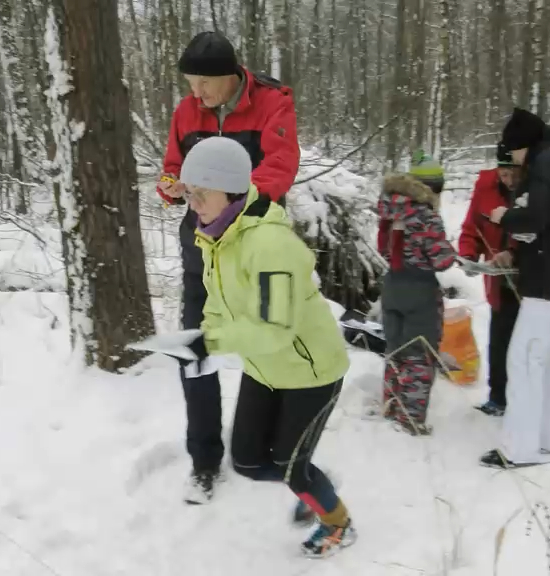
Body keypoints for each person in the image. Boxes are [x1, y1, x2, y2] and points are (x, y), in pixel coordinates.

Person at [177, 136, 356, 557]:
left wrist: (212, 342)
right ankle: (312, 479)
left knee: (293, 470)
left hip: (311, 371)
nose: (194, 204)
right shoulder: (215, 238)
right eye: (189, 193)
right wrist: (201, 338)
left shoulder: (270, 245)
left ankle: (338, 522)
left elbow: (275, 328)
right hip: (264, 368)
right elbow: (217, 308)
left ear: (233, 190)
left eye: (201, 193)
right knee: (248, 462)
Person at [156, 30, 301, 503]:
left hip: (255, 242)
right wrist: (172, 187)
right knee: (194, 345)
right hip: (200, 243)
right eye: (191, 83)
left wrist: (228, 203)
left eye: (204, 84)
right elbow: (171, 166)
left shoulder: (271, 103)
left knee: (273, 338)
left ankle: (281, 446)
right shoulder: (186, 112)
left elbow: (279, 168)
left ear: (230, 76)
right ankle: (203, 460)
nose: (197, 93)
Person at [480, 108, 550, 468]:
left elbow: (534, 217)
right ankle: (549, 438)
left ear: (523, 145)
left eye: (512, 151)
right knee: (549, 362)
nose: (512, 160)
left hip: (547, 281)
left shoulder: (547, 163)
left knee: (525, 360)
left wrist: (506, 217)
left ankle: (518, 449)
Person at [376, 150, 458, 435]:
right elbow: (442, 259)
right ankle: (410, 419)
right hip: (419, 292)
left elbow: (383, 248)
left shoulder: (388, 208)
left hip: (392, 287)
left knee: (395, 351)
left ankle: (391, 407)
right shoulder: (424, 215)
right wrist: (452, 251)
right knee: (419, 356)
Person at [458, 143, 523, 417]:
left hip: (530, 280)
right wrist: (469, 254)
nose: (509, 181)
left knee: (524, 344)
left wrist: (513, 253)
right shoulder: (485, 188)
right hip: (499, 282)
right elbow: (471, 226)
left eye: (514, 175)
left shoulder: (536, 190)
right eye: (504, 174)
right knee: (498, 341)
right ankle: (497, 398)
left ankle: (524, 400)